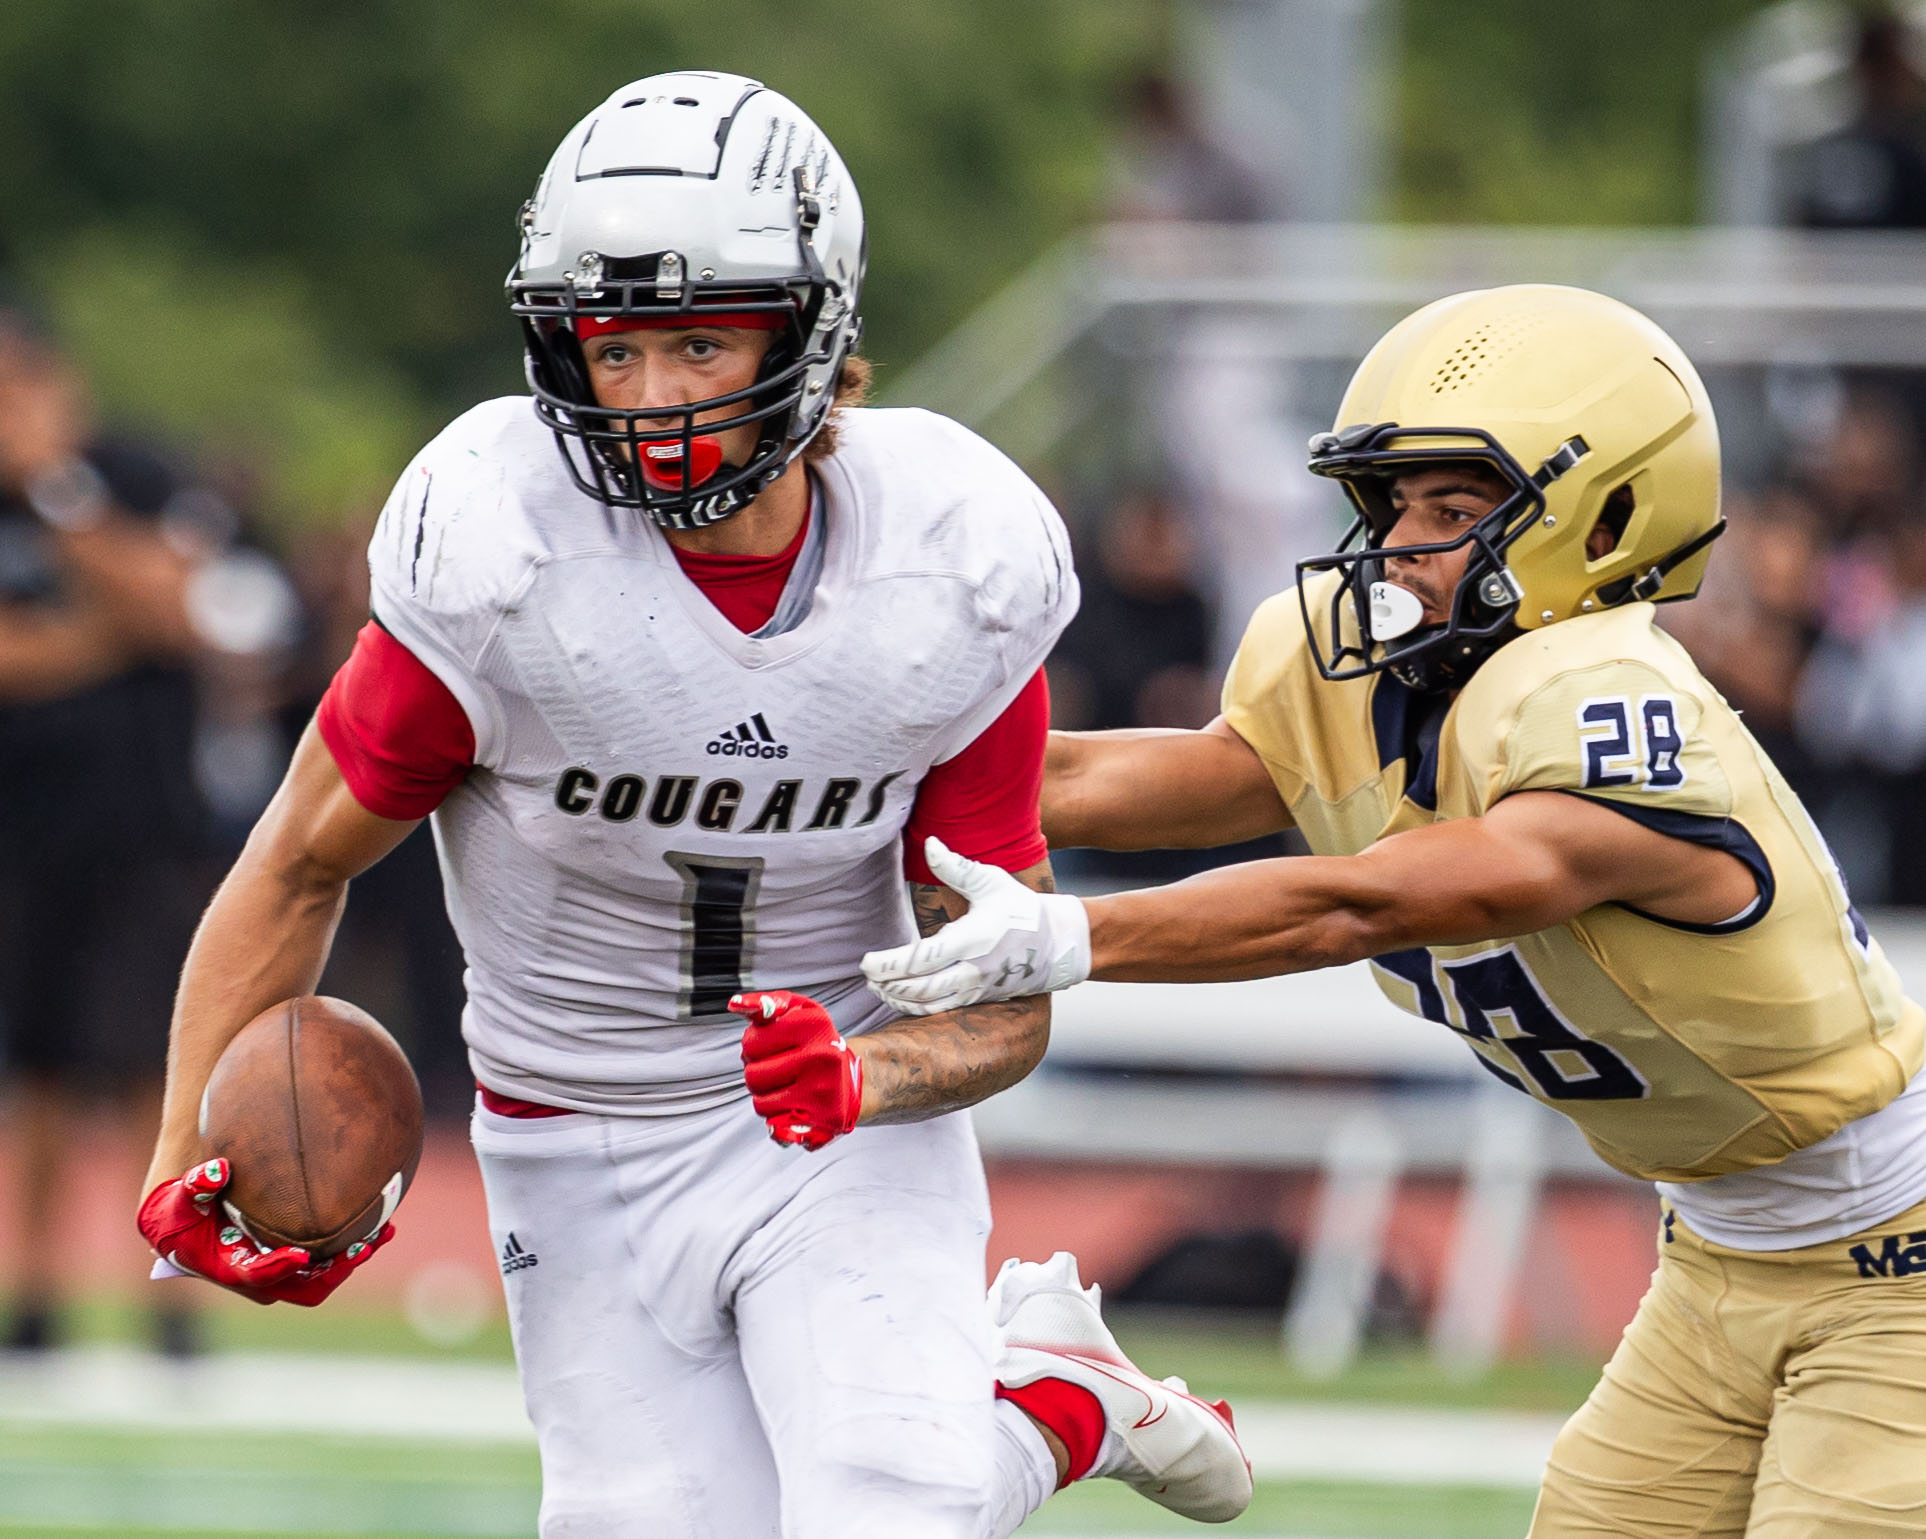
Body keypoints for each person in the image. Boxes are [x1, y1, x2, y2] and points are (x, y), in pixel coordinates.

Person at [134, 73, 1248, 1537]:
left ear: (813, 334)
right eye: (617, 349)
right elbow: (295, 865)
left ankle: (1042, 1411)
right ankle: (1049, 1397)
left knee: (888, 1508)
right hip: (570, 1125)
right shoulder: (499, 561)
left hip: (838, 1113)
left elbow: (1006, 1007)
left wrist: (862, 1077)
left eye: (702, 341)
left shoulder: (951, 569)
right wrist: (185, 1156)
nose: (656, 398)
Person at [864, 283, 1926, 1536]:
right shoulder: (1396, 678)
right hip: (1716, 1257)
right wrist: (851, 777)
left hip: (1895, 1258)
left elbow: (1358, 906)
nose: (1399, 547)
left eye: (1454, 511)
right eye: (1391, 506)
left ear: (1606, 521)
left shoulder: (1616, 702)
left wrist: (1073, 935)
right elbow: (1173, 776)